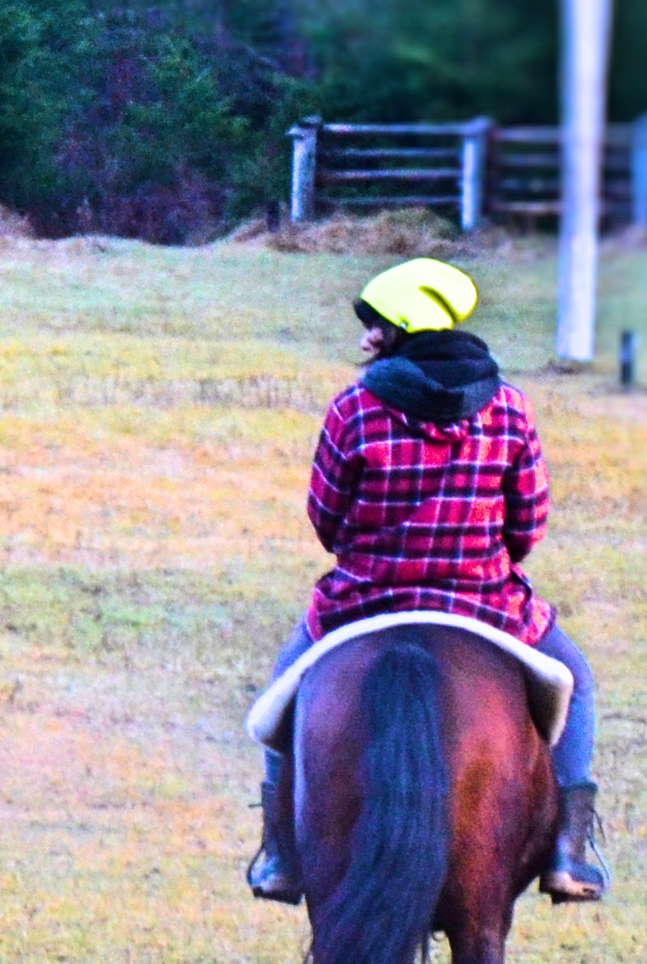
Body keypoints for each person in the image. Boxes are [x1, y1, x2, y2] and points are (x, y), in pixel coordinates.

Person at [249, 255, 605, 907]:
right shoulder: (509, 410)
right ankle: (569, 850)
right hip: (488, 609)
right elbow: (528, 527)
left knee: (282, 697)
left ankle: (281, 853)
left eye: (375, 327)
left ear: (405, 328)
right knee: (574, 682)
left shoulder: (354, 408)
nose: (365, 340)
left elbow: (326, 521)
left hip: (363, 605)